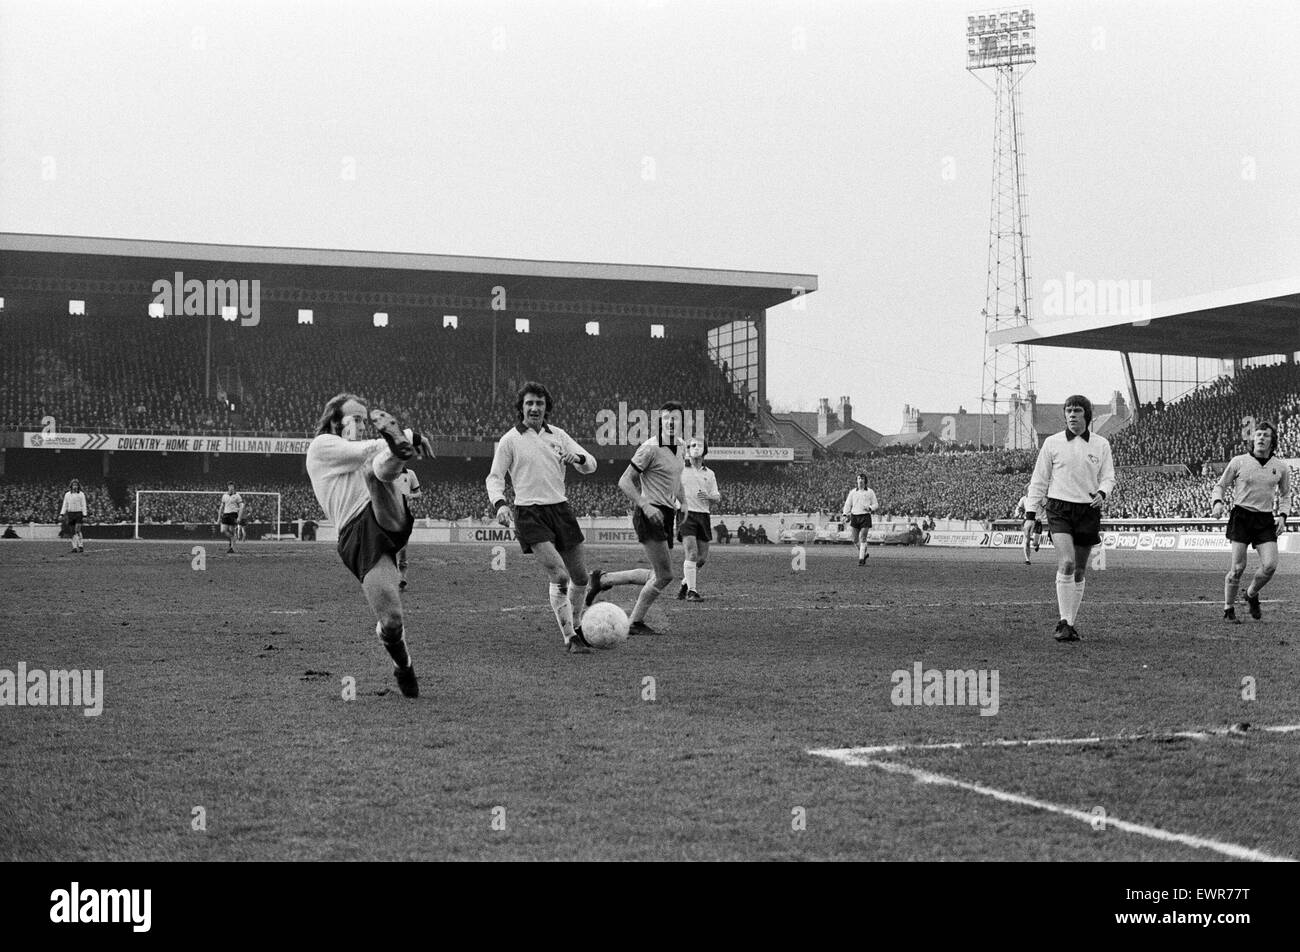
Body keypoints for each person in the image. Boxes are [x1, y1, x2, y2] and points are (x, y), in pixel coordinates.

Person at [306, 394, 431, 697]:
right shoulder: (322, 446)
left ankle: (398, 451)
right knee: (391, 621)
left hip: (385, 512)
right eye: (357, 419)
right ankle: (403, 664)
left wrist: (401, 444)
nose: (363, 425)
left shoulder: (364, 454)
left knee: (374, 470)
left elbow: (369, 453)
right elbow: (360, 449)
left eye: (366, 419)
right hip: (356, 531)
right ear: (336, 420)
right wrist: (410, 437)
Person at [486, 381, 599, 654]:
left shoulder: (558, 435)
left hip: (561, 509)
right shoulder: (510, 440)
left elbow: (591, 464)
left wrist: (579, 458)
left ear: (546, 407)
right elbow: (494, 477)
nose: (534, 408)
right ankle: (570, 637)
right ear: (521, 408)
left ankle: (576, 625)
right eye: (529, 403)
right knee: (560, 576)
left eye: (539, 403)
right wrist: (501, 505)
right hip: (530, 513)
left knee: (581, 578)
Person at [586, 402, 687, 636]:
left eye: (675, 418)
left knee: (657, 573)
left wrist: (685, 504)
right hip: (648, 514)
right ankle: (635, 622)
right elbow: (624, 480)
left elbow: (677, 480)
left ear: (683, 422)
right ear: (660, 422)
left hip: (666, 513)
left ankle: (603, 579)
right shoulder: (649, 448)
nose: (671, 422)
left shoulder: (681, 447)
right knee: (665, 575)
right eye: (666, 419)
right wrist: (645, 504)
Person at [1023, 395, 1116, 642]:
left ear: (1086, 414)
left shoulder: (1101, 444)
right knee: (1067, 563)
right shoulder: (1052, 443)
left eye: (1077, 411)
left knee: (1080, 570)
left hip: (1088, 509)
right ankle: (1063, 621)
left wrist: (1102, 493)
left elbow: (1109, 477)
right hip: (1059, 509)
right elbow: (1039, 480)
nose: (1072, 415)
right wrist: (1030, 515)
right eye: (1068, 411)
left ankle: (1070, 623)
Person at [1212, 422, 1291, 623]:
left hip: (1264, 519)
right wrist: (1218, 502)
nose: (1261, 438)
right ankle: (1228, 609)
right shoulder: (1239, 462)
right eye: (1258, 435)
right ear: (1253, 439)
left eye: (1266, 435)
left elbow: (1285, 495)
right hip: (1241, 517)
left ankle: (1251, 594)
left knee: (1270, 566)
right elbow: (1220, 485)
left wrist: (1282, 515)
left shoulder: (1280, 467)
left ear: (1272, 441)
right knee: (1238, 568)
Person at [676, 438, 720, 601]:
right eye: (692, 446)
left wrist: (709, 496)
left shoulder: (710, 473)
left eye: (698, 446)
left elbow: (716, 496)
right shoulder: (680, 469)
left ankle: (684, 584)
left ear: (704, 451)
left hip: (703, 515)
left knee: (701, 559)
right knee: (692, 554)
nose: (695, 448)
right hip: (685, 514)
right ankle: (691, 592)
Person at [394, 466, 422, 590]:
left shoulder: (410, 474)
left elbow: (419, 493)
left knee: (403, 549)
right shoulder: (388, 473)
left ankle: (402, 578)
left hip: (404, 516)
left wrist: (409, 495)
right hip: (389, 515)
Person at [841, 473, 878, 566]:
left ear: (865, 480)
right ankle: (864, 554)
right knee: (854, 539)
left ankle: (861, 559)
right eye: (858, 478)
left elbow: (876, 504)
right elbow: (848, 503)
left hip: (865, 516)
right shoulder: (853, 492)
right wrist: (845, 514)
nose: (860, 480)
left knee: (863, 538)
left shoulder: (870, 492)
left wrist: (870, 508)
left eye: (862, 478)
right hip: (854, 516)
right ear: (857, 481)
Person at [60, 479, 87, 553]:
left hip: (78, 513)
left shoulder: (81, 494)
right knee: (72, 531)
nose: (75, 486)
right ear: (71, 486)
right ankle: (74, 547)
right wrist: (61, 514)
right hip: (71, 514)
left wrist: (84, 515)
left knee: (77, 530)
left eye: (76, 485)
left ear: (78, 486)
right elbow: (65, 505)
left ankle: (81, 545)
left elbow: (84, 505)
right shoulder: (67, 494)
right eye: (73, 485)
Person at [217, 482, 244, 554]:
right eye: (230, 486)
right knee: (223, 530)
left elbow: (241, 507)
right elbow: (221, 507)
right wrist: (219, 518)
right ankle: (232, 541)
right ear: (228, 487)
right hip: (225, 514)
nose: (231, 487)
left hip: (233, 514)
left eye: (232, 486)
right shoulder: (224, 495)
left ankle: (232, 547)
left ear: (234, 487)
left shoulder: (237, 496)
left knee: (231, 530)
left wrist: (239, 517)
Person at [1015, 492, 1042, 564]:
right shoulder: (1023, 499)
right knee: (1026, 541)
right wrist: (1017, 514)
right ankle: (1027, 559)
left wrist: (1041, 516)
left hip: (1037, 521)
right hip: (1027, 520)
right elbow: (1018, 508)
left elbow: (1045, 507)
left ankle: (1036, 543)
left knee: (1034, 543)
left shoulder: (1039, 498)